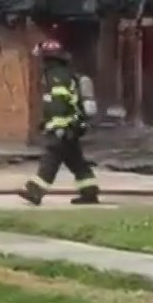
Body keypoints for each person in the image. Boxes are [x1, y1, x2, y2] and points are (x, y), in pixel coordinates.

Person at [18, 38, 102, 206]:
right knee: (76, 161)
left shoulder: (55, 75)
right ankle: (89, 191)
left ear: (47, 58)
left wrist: (58, 126)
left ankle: (35, 191)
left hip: (63, 127)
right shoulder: (65, 73)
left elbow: (57, 103)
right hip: (72, 125)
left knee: (51, 158)